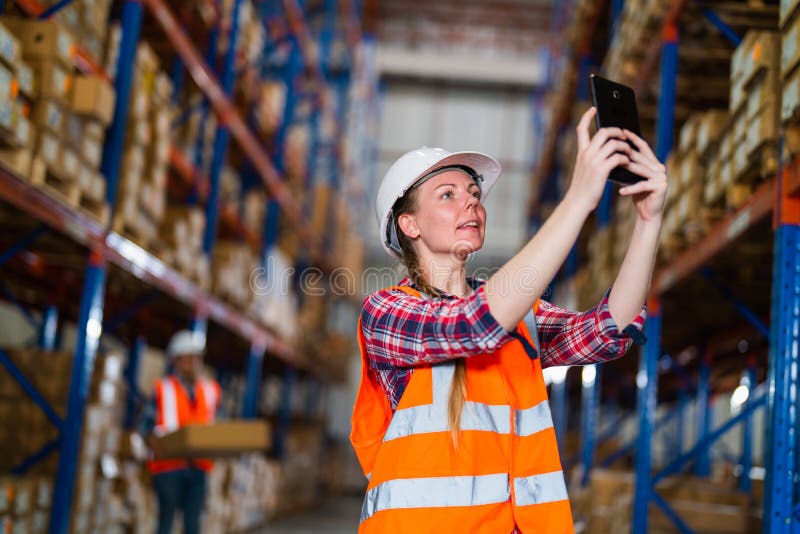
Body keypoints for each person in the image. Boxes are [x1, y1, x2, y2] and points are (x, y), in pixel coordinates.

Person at [350, 108, 667, 533]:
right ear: (409, 224)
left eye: (473, 193)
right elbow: (472, 325)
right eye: (447, 194)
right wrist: (577, 201)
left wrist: (649, 223)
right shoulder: (386, 314)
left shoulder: (521, 315)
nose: (471, 202)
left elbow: (607, 332)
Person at [141, 330, 221, 534]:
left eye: (196, 358)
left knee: (193, 526)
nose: (193, 363)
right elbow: (145, 428)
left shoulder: (211, 390)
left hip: (198, 468)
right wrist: (155, 444)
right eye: (188, 359)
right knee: (165, 524)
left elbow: (219, 425)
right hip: (169, 468)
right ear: (176, 361)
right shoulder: (163, 389)